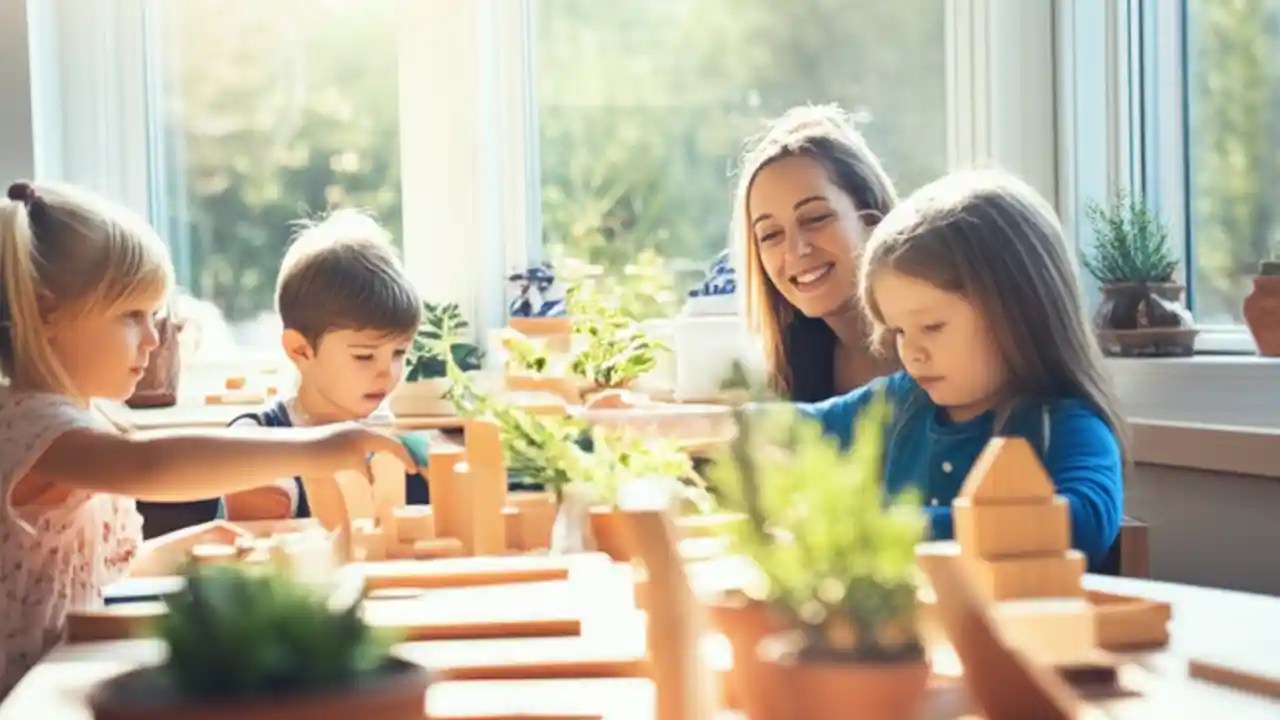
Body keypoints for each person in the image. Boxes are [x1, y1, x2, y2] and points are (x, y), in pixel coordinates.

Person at [0, 181, 417, 696]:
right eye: (131, 316)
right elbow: (148, 467)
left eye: (154, 317)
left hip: (63, 675)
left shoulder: (74, 426)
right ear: (47, 314)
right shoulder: (28, 425)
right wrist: (321, 447)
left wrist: (184, 547)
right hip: (22, 693)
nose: (153, 340)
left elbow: (80, 576)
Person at [799, 169, 1127, 567]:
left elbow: (1082, 525)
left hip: (1022, 628)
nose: (911, 352)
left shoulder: (1059, 425)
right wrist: (719, 424)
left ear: (1018, 312)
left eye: (933, 327)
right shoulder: (901, 402)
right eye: (899, 330)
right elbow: (802, 427)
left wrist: (897, 530)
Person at [221, 209, 424, 521]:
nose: (388, 372)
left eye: (399, 353)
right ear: (300, 350)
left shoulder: (400, 445)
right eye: (364, 356)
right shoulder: (256, 436)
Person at [735, 104, 899, 402]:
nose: (795, 250)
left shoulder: (936, 353)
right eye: (770, 235)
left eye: (815, 218)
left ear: (871, 221)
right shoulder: (787, 372)